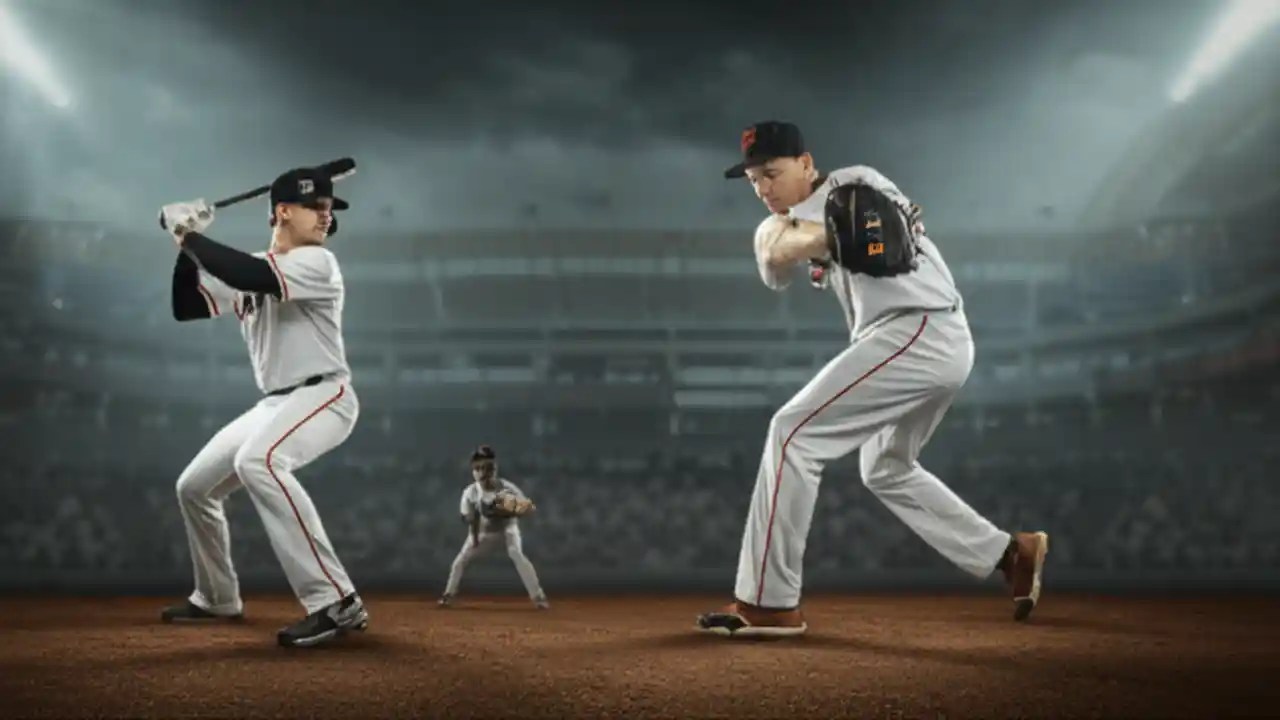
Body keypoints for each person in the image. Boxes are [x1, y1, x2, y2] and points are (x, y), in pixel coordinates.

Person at [696, 121, 1049, 638]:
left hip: (919, 325)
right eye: (754, 180)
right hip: (917, 340)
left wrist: (836, 235)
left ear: (807, 164)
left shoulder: (853, 182)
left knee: (792, 432)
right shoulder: (775, 226)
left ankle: (769, 603)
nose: (764, 188)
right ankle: (1009, 552)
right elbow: (774, 256)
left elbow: (889, 236)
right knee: (884, 466)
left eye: (772, 173)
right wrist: (824, 238)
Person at [157, 165, 369, 648]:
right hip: (275, 403)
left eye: (328, 208)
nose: (325, 216)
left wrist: (187, 233)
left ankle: (335, 599)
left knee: (259, 461)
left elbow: (248, 274)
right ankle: (217, 596)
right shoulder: (254, 264)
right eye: (315, 207)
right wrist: (184, 249)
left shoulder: (318, 262)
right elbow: (186, 305)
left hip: (326, 394)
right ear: (282, 211)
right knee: (194, 488)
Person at [439, 445, 549, 609]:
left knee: (516, 553)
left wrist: (511, 508)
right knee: (460, 561)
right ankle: (448, 594)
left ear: (494, 469)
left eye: (487, 467)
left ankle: (538, 596)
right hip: (483, 532)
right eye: (478, 468)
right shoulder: (470, 492)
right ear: (473, 471)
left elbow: (529, 508)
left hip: (507, 529)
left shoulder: (506, 487)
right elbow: (467, 518)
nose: (483, 472)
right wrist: (475, 534)